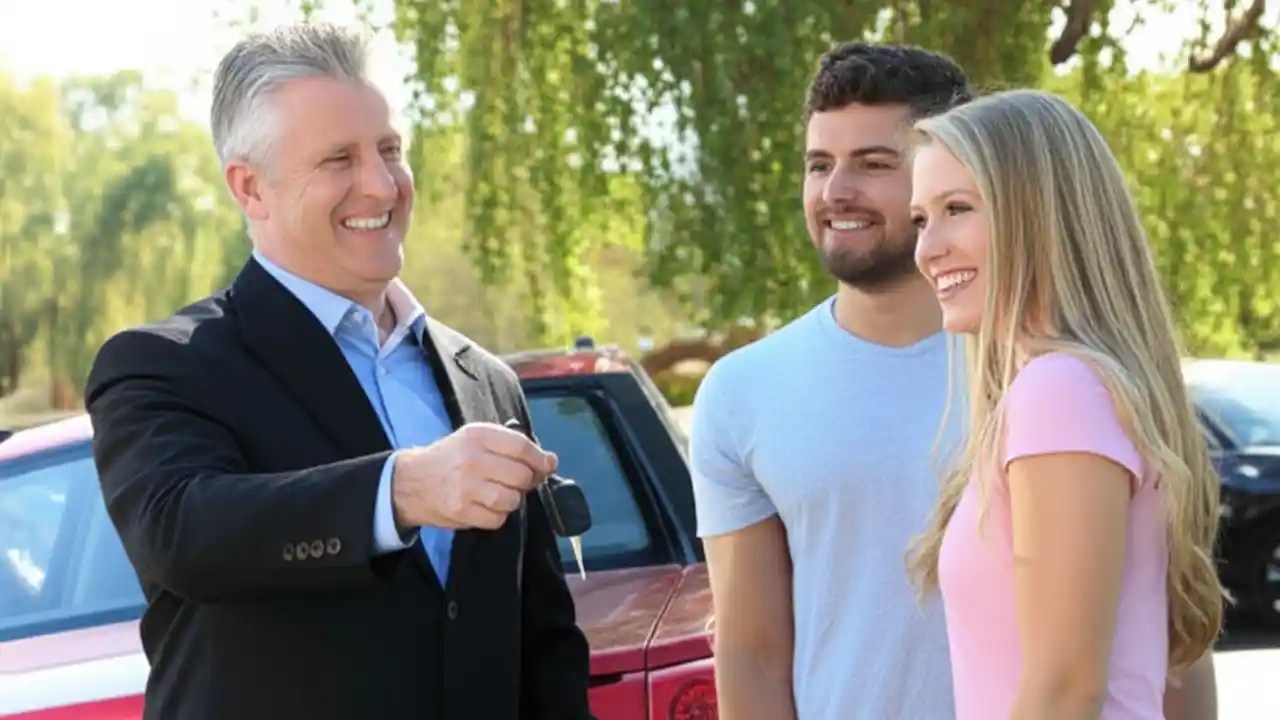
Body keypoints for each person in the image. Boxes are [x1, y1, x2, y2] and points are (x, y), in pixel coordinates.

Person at [83, 22, 592, 720]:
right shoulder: (163, 365)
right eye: (338, 160)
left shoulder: (485, 380)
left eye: (390, 150)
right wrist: (401, 491)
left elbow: (543, 645)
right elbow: (181, 535)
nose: (381, 186)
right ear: (250, 188)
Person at [907, 88, 1224, 719]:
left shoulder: (1060, 393)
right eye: (921, 219)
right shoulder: (1078, 390)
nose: (926, 249)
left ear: (1040, 216)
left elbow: (1064, 689)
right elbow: (1174, 667)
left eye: (957, 209)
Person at [688, 43, 973, 719]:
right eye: (819, 165)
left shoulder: (1040, 369)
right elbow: (752, 655)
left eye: (874, 164)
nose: (835, 191)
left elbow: (1159, 626)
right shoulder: (742, 393)